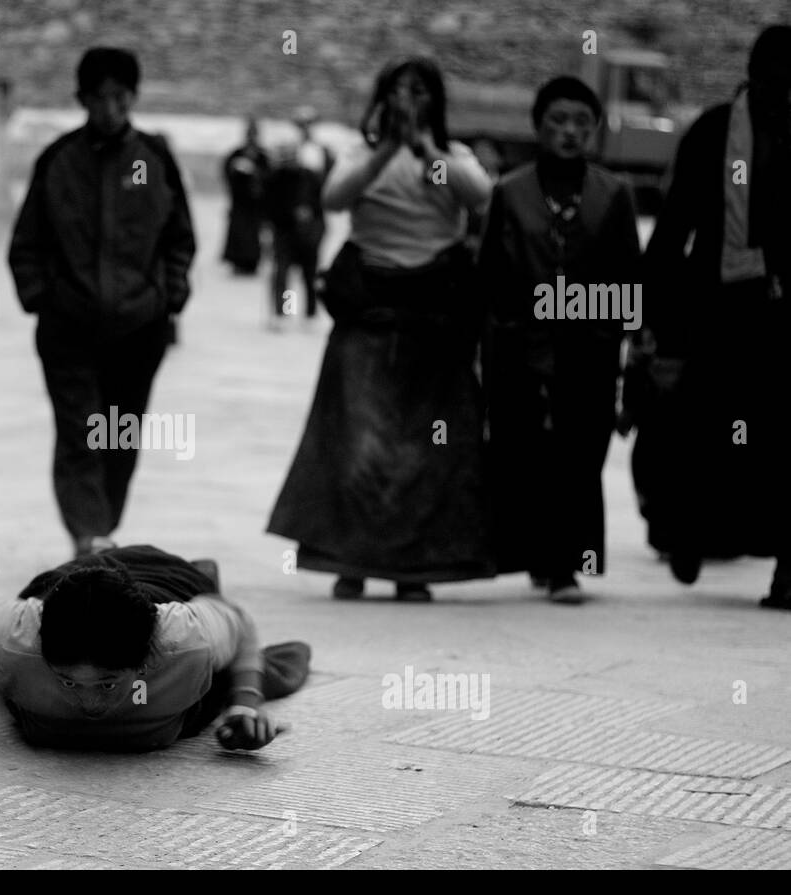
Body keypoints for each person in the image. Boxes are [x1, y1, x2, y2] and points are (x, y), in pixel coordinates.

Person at [267, 58, 495, 601]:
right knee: (358, 445)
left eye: (419, 90)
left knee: (427, 448)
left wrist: (425, 150)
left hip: (434, 314)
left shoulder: (451, 157)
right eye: (399, 89)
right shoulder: (361, 155)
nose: (408, 99)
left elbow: (479, 196)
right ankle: (351, 558)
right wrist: (390, 150)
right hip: (369, 310)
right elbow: (335, 198)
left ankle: (412, 568)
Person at [8, 48, 197, 560]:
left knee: (118, 432)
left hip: (140, 328)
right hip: (68, 327)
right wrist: (41, 298)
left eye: (120, 97)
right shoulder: (59, 160)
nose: (110, 109)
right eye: (99, 98)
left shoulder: (154, 159)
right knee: (79, 430)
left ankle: (102, 526)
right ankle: (88, 533)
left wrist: (168, 296)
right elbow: (27, 242)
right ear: (82, 99)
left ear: (133, 98)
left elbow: (180, 239)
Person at [627, 25, 791, 609]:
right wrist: (647, 313)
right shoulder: (716, 131)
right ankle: (689, 533)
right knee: (705, 434)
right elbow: (674, 228)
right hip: (718, 313)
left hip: (781, 320)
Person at [478, 76, 641, 604]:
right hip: (521, 344)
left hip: (589, 346)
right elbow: (493, 275)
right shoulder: (510, 191)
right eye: (558, 121)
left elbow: (626, 277)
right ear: (538, 127)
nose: (570, 132)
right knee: (528, 451)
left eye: (581, 123)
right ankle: (547, 560)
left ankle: (568, 560)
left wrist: (627, 340)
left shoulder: (614, 194)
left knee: (580, 450)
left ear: (594, 130)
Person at [0, 545, 311, 753]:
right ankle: (95, 552)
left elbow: (237, 621)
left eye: (109, 685)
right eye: (69, 682)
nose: (90, 705)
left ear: (147, 661)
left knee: (229, 672)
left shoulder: (186, 640)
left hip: (166, 582)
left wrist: (246, 703)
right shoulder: (19, 637)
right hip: (63, 588)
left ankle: (199, 572)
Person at [264, 106, 333, 323]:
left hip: (308, 234)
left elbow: (324, 203)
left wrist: (313, 223)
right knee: (285, 275)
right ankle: (286, 311)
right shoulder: (276, 178)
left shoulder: (311, 175)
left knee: (309, 274)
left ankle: (310, 312)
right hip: (285, 232)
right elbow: (269, 206)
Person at [221, 117, 270, 275]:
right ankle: (237, 261)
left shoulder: (262, 155)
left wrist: (255, 173)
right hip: (240, 201)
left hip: (255, 203)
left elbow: (269, 176)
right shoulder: (237, 153)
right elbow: (226, 170)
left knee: (253, 234)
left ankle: (251, 262)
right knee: (238, 232)